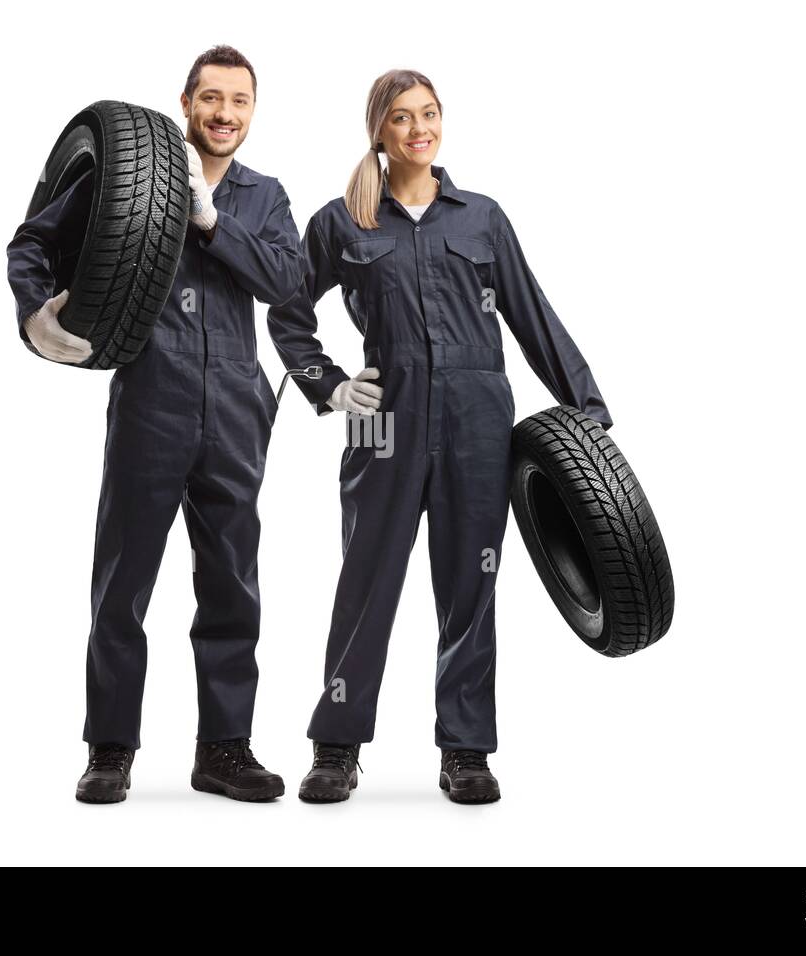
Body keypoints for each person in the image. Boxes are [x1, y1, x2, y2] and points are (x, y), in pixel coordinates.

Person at [267, 69, 614, 804]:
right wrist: (327, 384)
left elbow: (532, 316)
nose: (419, 128)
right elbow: (286, 311)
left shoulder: (481, 218)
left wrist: (588, 409)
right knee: (366, 582)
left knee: (470, 585)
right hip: (385, 421)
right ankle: (336, 746)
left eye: (428, 114)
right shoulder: (342, 221)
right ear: (380, 132)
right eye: (402, 117)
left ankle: (465, 751)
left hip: (477, 422)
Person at [6, 46, 305, 803]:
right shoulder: (128, 176)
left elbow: (286, 279)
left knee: (234, 584)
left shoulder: (265, 196)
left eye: (239, 101)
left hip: (237, 402)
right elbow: (32, 243)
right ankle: (110, 747)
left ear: (252, 111)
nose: (225, 114)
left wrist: (212, 225)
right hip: (153, 393)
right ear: (185, 102)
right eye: (211, 98)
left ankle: (224, 750)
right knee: (123, 580)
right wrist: (34, 314)